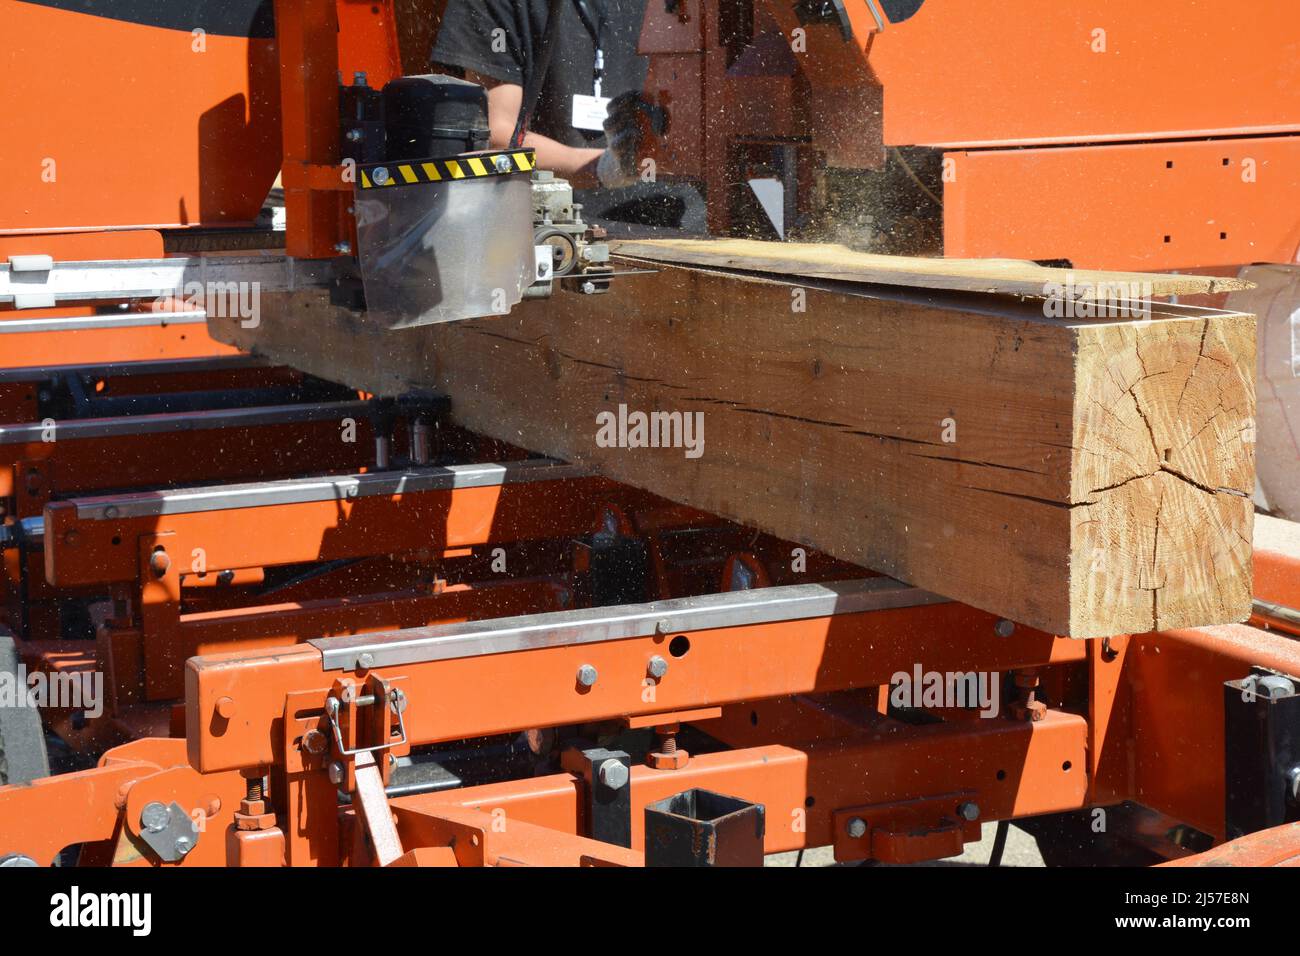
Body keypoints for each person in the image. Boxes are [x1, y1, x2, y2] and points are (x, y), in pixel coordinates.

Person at [431, 0, 702, 232]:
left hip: (670, 211)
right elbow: (495, 132)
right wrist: (604, 167)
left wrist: (650, 158)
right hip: (545, 218)